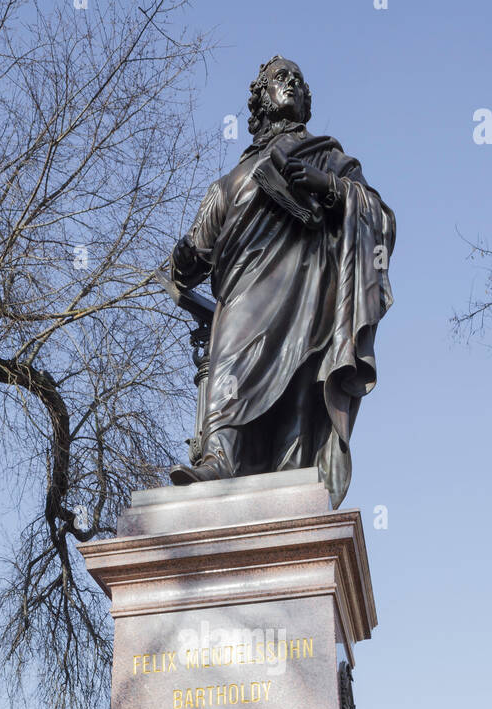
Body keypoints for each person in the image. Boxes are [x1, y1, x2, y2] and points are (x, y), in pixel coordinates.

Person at [167, 56, 395, 508]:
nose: (290, 84)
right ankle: (219, 459)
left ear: (306, 99)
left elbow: (380, 219)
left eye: (297, 80)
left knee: (297, 385)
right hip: (243, 298)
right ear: (262, 99)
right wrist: (183, 257)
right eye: (280, 79)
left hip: (309, 300)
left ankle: (293, 481)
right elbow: (191, 258)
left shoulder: (328, 157)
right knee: (229, 366)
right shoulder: (231, 180)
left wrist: (328, 186)